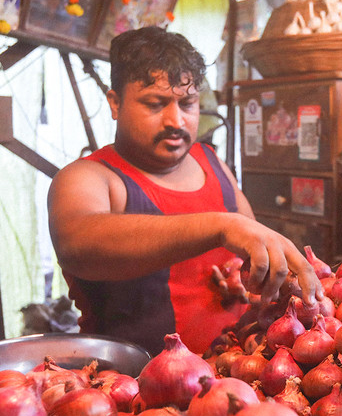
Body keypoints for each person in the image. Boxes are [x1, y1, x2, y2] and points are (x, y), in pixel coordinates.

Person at [48, 26, 322, 355]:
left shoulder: (211, 162)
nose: (174, 120)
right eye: (154, 104)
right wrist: (223, 226)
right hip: (137, 385)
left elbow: (250, 254)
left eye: (187, 103)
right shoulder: (90, 177)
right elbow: (77, 244)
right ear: (115, 103)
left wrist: (244, 284)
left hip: (232, 377)